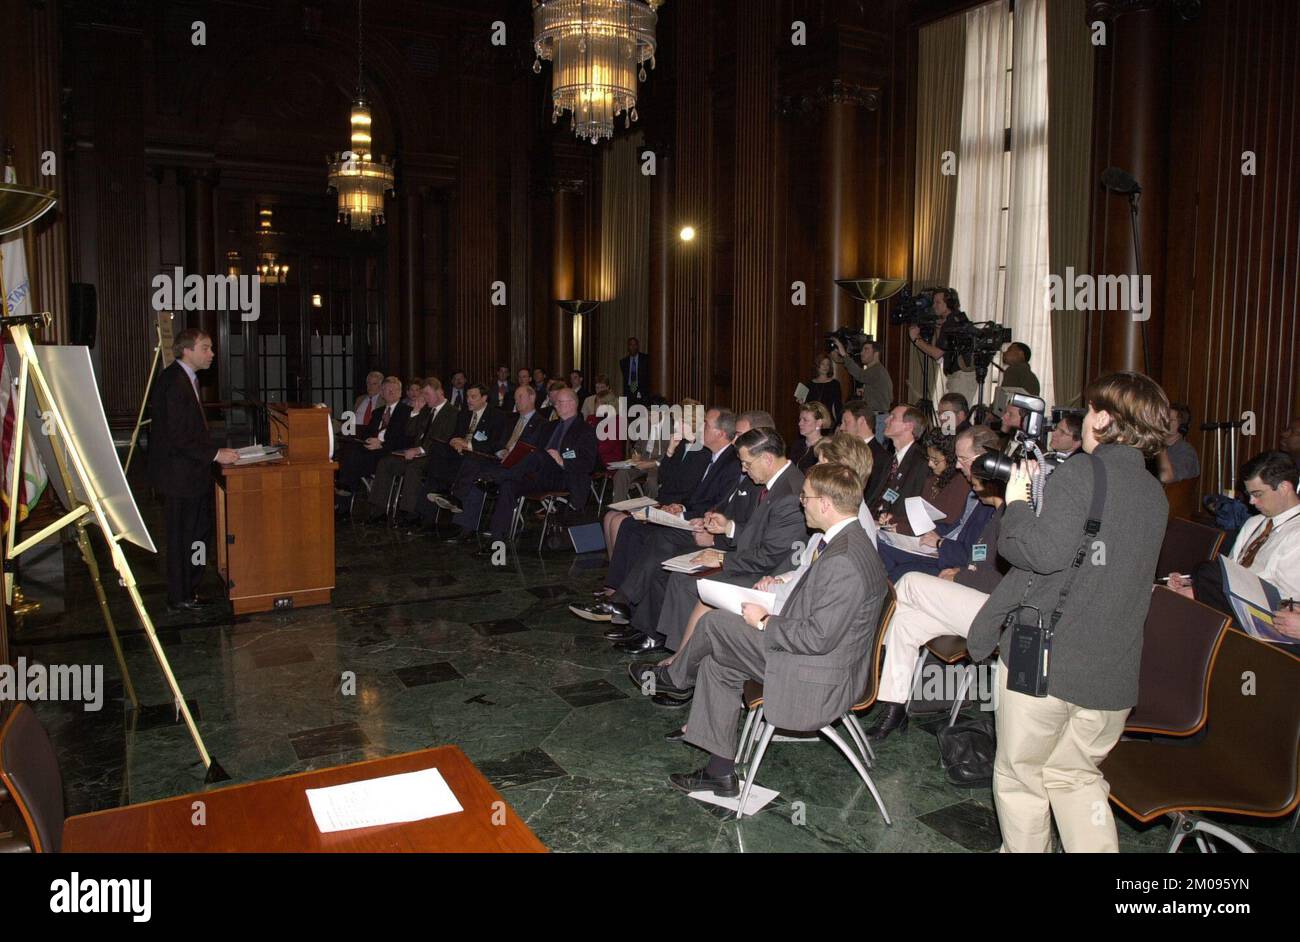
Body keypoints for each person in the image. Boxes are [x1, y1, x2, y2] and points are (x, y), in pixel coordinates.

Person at [966, 370, 1171, 853]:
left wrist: (1016, 503)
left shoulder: (1083, 471)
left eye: (1087, 411)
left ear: (1102, 417)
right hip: (1113, 673)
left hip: (1048, 664)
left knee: (1022, 777)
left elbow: (1037, 554)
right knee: (1075, 777)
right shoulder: (1155, 494)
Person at [636, 462, 889, 798]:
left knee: (716, 622)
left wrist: (764, 620)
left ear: (826, 504)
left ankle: (674, 678)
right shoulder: (850, 541)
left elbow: (817, 637)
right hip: (818, 662)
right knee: (717, 664)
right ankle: (719, 772)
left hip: (817, 679)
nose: (802, 502)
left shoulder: (844, 557)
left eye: (806, 497)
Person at [864, 426, 1008, 741]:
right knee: (905, 621)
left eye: (963, 459)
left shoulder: (1012, 507)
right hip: (969, 599)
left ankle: (865, 664)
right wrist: (961, 570)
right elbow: (977, 555)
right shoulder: (984, 499)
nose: (957, 466)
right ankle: (894, 706)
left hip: (996, 613)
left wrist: (962, 573)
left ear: (986, 460)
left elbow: (1004, 575)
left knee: (910, 582)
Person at [146, 329, 239, 612]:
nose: (212, 353)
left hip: (190, 474)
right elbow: (177, 435)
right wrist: (215, 454)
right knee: (181, 537)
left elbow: (190, 430)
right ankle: (181, 595)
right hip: (179, 477)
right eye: (206, 348)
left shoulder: (185, 379)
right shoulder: (174, 381)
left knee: (196, 534)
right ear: (187, 350)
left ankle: (190, 589)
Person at [1167, 450, 1300, 608]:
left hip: (1261, 610)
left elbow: (1287, 601)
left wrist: (1203, 593)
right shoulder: (1254, 522)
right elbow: (1230, 572)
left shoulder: (1296, 534)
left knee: (1201, 576)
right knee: (1202, 573)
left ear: (1284, 488)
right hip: (1234, 597)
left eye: (1257, 494)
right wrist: (1192, 583)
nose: (1251, 501)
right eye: (1249, 494)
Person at [478, 387, 597, 545]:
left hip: (562, 476)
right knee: (509, 485)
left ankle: (495, 478)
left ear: (572, 403)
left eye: (560, 403)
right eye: (556, 403)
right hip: (538, 474)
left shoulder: (585, 430)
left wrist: (562, 460)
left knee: (538, 455)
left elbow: (588, 463)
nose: (556, 406)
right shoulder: (548, 426)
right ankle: (497, 540)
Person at [437, 384, 553, 539]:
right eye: (515, 397)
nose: (516, 401)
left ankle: (461, 501)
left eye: (520, 397)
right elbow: (497, 443)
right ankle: (465, 525)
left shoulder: (543, 424)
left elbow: (537, 452)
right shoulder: (510, 419)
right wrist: (501, 451)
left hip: (520, 467)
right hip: (499, 461)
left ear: (532, 398)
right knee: (474, 464)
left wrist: (514, 455)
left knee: (479, 476)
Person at [885, 428, 970, 534]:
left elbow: (947, 524)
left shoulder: (961, 484)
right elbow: (918, 517)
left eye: (935, 460)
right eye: (928, 458)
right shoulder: (932, 479)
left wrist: (901, 528)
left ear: (951, 459)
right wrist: (892, 519)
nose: (930, 464)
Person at [907, 287, 975, 404]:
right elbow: (937, 350)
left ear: (949, 303)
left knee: (954, 414)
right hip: (960, 376)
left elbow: (937, 354)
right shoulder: (955, 319)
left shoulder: (952, 323)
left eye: (938, 302)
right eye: (933, 302)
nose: (934, 306)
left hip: (961, 376)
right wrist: (938, 329)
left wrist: (916, 338)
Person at [867, 405, 929, 518]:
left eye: (893, 417)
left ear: (908, 426)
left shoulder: (921, 463)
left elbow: (913, 506)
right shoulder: (890, 460)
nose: (886, 420)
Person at [832, 338, 891, 420]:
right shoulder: (878, 370)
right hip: (877, 416)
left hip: (878, 417)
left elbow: (860, 375)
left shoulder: (877, 370)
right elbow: (890, 398)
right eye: (862, 350)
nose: (862, 353)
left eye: (866, 350)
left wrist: (844, 354)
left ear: (876, 354)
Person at [1154, 402, 1200, 483]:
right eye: (1163, 418)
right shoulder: (1152, 446)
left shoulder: (1186, 452)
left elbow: (1166, 477)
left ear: (1182, 427)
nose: (1164, 423)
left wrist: (1160, 446)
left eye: (1170, 420)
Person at [790, 402, 833, 472]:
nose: (799, 423)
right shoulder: (797, 445)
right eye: (800, 419)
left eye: (805, 420)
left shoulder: (826, 447)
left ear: (819, 423)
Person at [802, 353, 843, 425]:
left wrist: (839, 424)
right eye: (823, 364)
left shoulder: (834, 384)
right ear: (817, 365)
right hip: (812, 421)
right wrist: (801, 402)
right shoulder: (809, 384)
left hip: (828, 420)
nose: (825, 367)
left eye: (828, 364)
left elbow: (837, 406)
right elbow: (806, 406)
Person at [620, 337, 650, 406]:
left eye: (635, 345)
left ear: (638, 346)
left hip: (642, 394)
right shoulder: (623, 362)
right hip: (629, 394)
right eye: (631, 345)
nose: (633, 347)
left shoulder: (645, 359)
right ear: (628, 347)